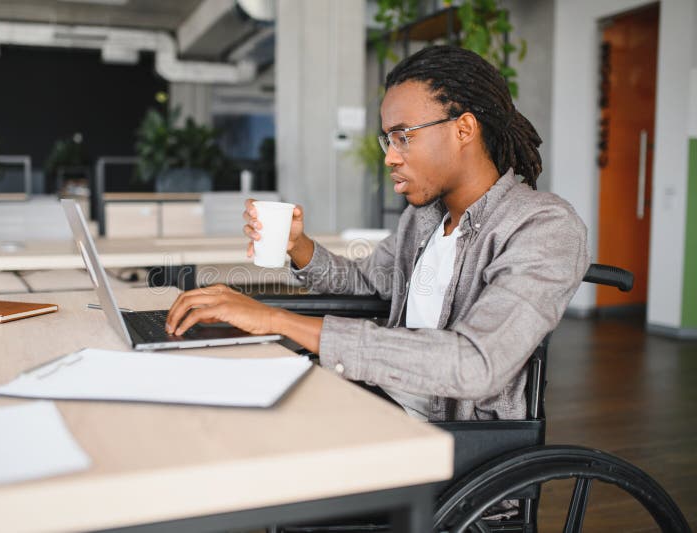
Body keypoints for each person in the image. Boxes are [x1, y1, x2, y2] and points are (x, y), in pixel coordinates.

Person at [166, 45, 588, 422]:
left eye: (403, 137)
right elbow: (364, 284)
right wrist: (298, 246)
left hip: (446, 437)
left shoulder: (544, 225)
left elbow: (476, 364)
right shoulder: (425, 219)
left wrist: (277, 320)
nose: (390, 157)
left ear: (463, 129)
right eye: (387, 139)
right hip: (378, 396)